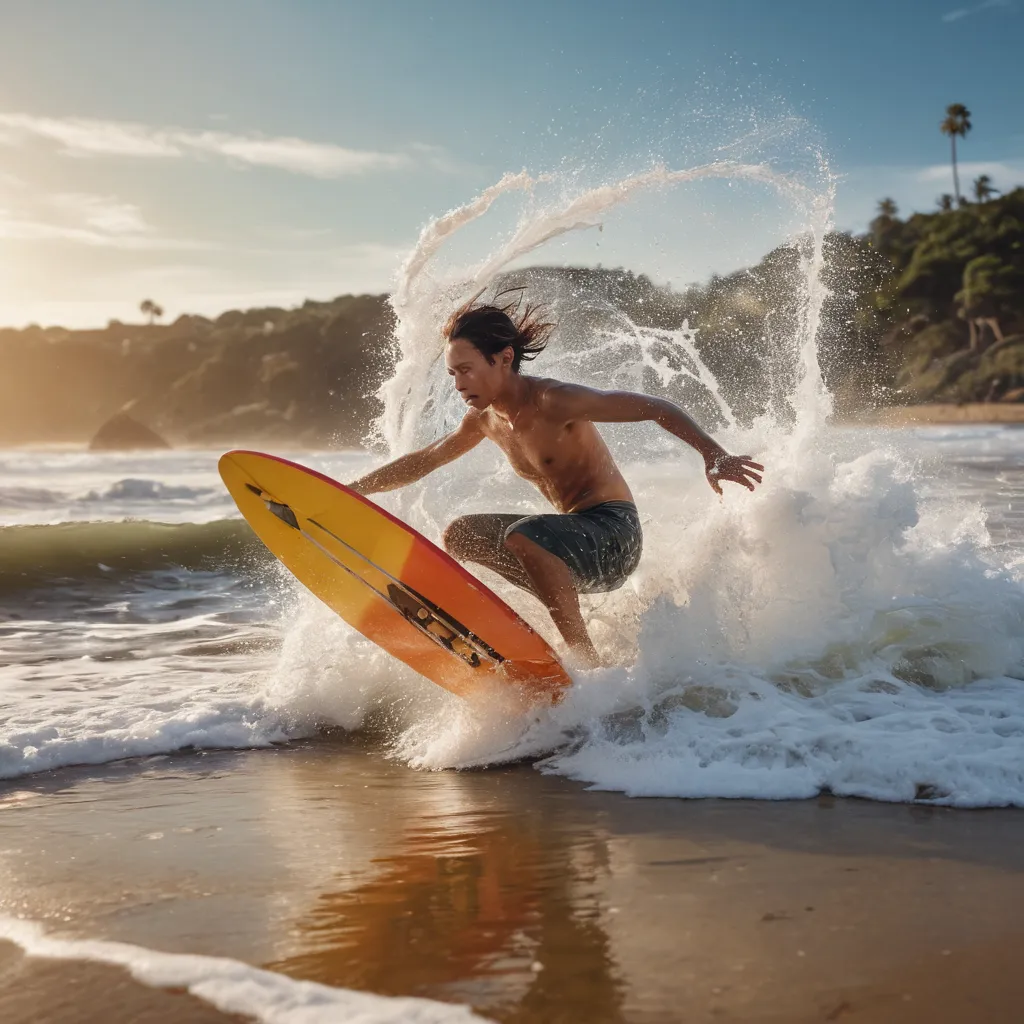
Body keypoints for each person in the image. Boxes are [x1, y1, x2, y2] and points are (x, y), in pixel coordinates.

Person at [349, 295, 763, 667]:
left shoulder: (554, 400)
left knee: (524, 535)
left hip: (614, 536)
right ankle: (500, 634)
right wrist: (355, 491)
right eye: (453, 373)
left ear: (503, 358)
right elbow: (426, 459)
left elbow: (655, 407)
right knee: (460, 536)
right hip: (571, 546)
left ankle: (586, 660)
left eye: (467, 370)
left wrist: (714, 454)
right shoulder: (484, 421)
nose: (459, 384)